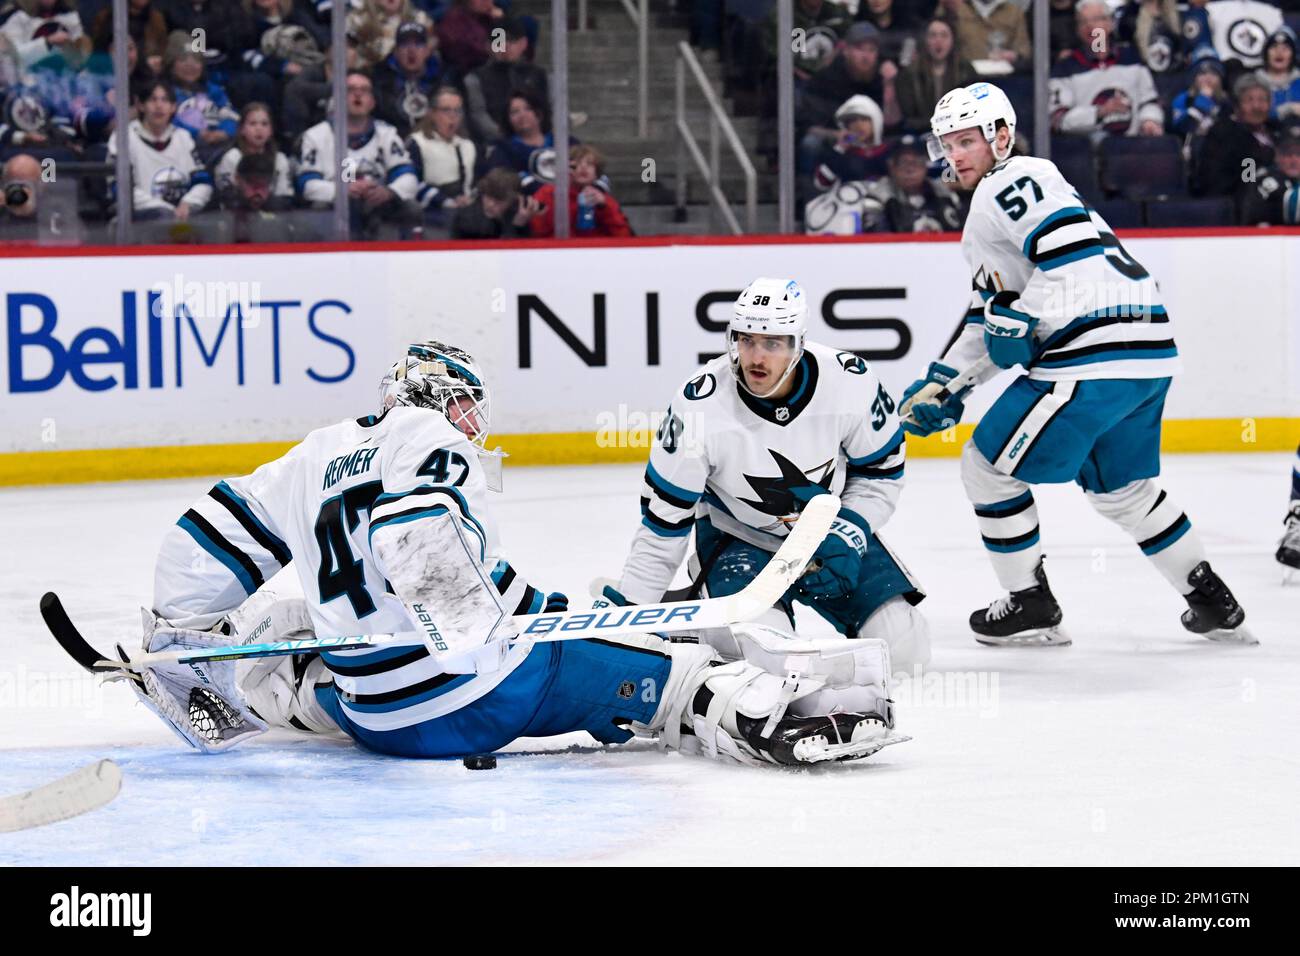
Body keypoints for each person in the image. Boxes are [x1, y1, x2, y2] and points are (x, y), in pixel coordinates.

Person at [123, 339, 903, 767]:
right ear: (428, 396)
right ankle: (774, 716)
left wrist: (173, 637)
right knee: (662, 669)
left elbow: (198, 551)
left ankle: (246, 678)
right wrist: (535, 617)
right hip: (469, 701)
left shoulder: (312, 453)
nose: (472, 421)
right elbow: (423, 550)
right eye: (462, 402)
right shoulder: (428, 437)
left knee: (299, 627)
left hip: (376, 721)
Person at [902, 81, 1254, 646]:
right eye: (947, 144)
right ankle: (1211, 600)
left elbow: (1068, 263)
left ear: (1002, 136)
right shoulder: (1011, 196)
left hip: (1093, 353)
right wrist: (947, 384)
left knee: (985, 467)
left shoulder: (1013, 178)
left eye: (966, 140)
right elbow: (993, 313)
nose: (955, 155)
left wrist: (1021, 317)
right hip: (1147, 354)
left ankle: (1030, 602)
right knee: (1123, 491)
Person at [610, 278, 931, 675]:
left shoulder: (849, 381)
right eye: (746, 340)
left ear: (797, 345)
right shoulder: (698, 408)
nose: (756, 357)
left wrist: (848, 531)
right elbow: (664, 526)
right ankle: (693, 627)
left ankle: (713, 621)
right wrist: (629, 616)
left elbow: (881, 473)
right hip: (739, 540)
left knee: (906, 653)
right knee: (776, 666)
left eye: (772, 343)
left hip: (828, 534)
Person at [296, 69, 421, 237]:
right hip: (334, 208)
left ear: (372, 102)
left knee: (410, 207)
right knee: (320, 208)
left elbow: (408, 178)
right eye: (351, 90)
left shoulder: (387, 133)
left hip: (377, 205)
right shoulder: (316, 136)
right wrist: (341, 190)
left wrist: (389, 191)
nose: (358, 95)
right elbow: (307, 185)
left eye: (364, 90)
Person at [1049, 0, 1164, 137]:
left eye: (1096, 20)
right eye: (1083, 22)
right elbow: (1058, 120)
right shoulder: (1065, 68)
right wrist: (1100, 112)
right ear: (1077, 30)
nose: (1090, 26)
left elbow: (1149, 101)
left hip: (1132, 149)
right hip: (1086, 152)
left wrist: (1150, 120)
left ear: (1110, 24)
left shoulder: (1132, 58)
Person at [106, 79, 212, 220]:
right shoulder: (123, 137)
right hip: (139, 222)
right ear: (140, 105)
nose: (159, 106)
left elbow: (203, 182)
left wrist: (188, 203)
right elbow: (119, 189)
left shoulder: (183, 138)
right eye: (152, 100)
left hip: (183, 218)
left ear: (173, 107)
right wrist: (166, 210)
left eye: (165, 100)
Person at [1190, 72, 1278, 196]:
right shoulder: (1223, 134)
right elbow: (1242, 179)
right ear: (1237, 106)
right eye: (1249, 100)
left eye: (1262, 100)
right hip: (1238, 203)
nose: (1256, 106)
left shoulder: (1277, 131)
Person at [461, 16, 546, 143]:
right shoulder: (475, 78)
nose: (505, 46)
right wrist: (507, 137)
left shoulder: (539, 75)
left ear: (524, 44)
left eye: (511, 41)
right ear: (488, 46)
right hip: (494, 144)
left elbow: (548, 109)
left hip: (538, 141)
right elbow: (478, 115)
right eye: (498, 42)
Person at [528, 144, 631, 238]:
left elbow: (623, 236)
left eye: (590, 164)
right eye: (577, 164)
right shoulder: (548, 193)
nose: (583, 167)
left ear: (597, 174)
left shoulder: (604, 201)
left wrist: (604, 207)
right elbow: (537, 232)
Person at [896, 16, 975, 134]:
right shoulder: (910, 74)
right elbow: (909, 116)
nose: (938, 41)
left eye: (944, 35)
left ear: (953, 40)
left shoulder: (966, 70)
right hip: (921, 135)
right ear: (925, 40)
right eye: (933, 36)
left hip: (959, 132)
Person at [408, 85, 475, 221]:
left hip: (465, 214)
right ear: (432, 113)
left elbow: (474, 185)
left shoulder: (468, 146)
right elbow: (412, 184)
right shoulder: (417, 143)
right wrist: (445, 202)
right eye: (446, 110)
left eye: (458, 111)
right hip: (431, 214)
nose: (453, 117)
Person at [373, 20, 442, 137]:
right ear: (396, 52)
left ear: (427, 51)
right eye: (404, 44)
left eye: (418, 44)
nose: (411, 50)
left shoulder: (441, 79)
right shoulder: (381, 81)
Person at [213, 101, 293, 201]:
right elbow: (226, 196)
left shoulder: (280, 159)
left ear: (271, 130)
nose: (259, 129)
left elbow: (284, 197)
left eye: (264, 124)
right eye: (252, 124)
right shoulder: (232, 158)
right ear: (242, 129)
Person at [449, 164, 536, 238]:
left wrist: (519, 226)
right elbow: (494, 254)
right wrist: (516, 228)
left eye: (498, 202)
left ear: (512, 201)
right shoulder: (467, 219)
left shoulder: (519, 214)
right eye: (487, 197)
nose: (490, 205)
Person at [1238, 122, 1300, 223]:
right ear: (1277, 156)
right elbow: (1251, 216)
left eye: (1299, 154)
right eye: (1287, 153)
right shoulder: (1265, 182)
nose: (1293, 160)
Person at [1258, 26, 1300, 122]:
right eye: (1274, 47)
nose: (1279, 52)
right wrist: (1289, 109)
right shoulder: (1254, 83)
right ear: (1266, 54)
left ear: (1292, 55)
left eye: (1285, 49)